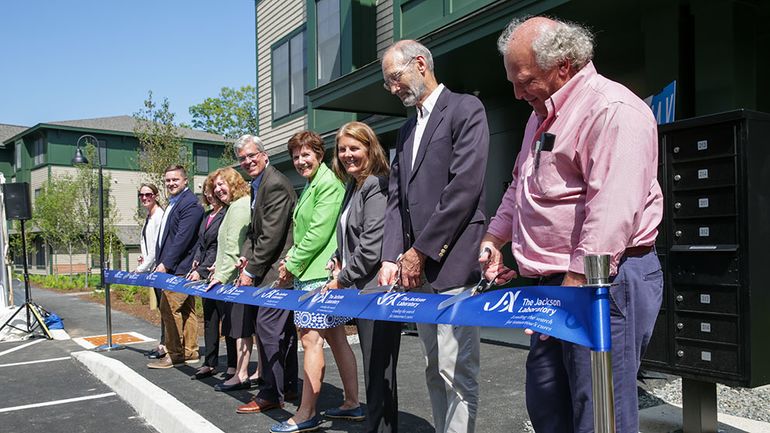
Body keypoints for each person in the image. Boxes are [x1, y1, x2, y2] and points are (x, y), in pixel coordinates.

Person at [480, 16, 664, 433]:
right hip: (554, 287)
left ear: (563, 65)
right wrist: (495, 237)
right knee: (547, 403)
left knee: (600, 413)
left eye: (524, 80)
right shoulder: (540, 114)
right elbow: (520, 186)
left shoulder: (611, 110)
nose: (516, 92)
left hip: (599, 284)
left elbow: (612, 212)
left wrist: (575, 286)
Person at [379, 40, 489, 433]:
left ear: (420, 64)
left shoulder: (465, 109)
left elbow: (464, 189)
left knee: (456, 368)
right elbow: (397, 200)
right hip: (414, 271)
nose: (392, 89)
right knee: (432, 366)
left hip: (451, 264)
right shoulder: (406, 130)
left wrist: (420, 251)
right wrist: (392, 255)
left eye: (395, 78)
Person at [270, 130, 356, 433]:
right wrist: (290, 261)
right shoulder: (312, 184)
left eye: (306, 154)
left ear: (319, 154)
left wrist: (291, 264)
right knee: (335, 337)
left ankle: (306, 413)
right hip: (316, 274)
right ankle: (352, 403)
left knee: (311, 341)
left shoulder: (327, 184)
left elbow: (318, 232)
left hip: (316, 277)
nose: (300, 161)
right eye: (295, 156)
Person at [327, 121, 399, 433]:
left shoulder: (375, 184)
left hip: (375, 292)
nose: (347, 154)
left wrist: (341, 279)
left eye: (354, 148)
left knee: (379, 370)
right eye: (342, 149)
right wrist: (336, 258)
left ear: (370, 148)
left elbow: (371, 247)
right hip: (361, 291)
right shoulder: (353, 186)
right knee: (373, 369)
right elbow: (348, 235)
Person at [233, 134, 299, 415]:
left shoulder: (275, 185)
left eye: (251, 155)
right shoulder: (256, 186)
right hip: (266, 267)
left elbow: (271, 237)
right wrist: (246, 254)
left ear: (264, 155)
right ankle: (290, 385)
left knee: (268, 328)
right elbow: (254, 231)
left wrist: (250, 270)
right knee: (282, 332)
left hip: (278, 271)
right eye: (243, 159)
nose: (248, 161)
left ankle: (270, 392)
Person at [207, 167, 262, 392]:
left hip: (238, 279)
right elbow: (227, 248)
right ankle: (248, 372)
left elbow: (234, 249)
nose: (219, 189)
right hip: (234, 276)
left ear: (235, 183)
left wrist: (221, 275)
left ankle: (241, 374)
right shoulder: (233, 207)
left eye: (223, 184)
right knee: (243, 329)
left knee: (241, 330)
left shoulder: (239, 207)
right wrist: (216, 267)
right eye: (215, 186)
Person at [147, 165, 204, 369]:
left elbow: (181, 239)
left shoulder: (190, 205)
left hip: (180, 268)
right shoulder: (175, 202)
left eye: (175, 180)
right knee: (187, 310)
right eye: (168, 180)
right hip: (177, 267)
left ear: (185, 180)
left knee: (169, 309)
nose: (171, 183)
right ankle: (190, 351)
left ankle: (174, 354)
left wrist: (164, 264)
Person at [187, 175, 232, 380]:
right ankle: (210, 362)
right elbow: (201, 244)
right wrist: (196, 261)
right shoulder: (207, 216)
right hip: (205, 277)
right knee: (210, 319)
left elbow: (218, 247)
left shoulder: (227, 214)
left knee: (227, 320)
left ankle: (232, 364)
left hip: (219, 274)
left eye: (212, 190)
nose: (209, 194)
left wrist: (203, 269)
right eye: (206, 191)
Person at [134, 183, 166, 360]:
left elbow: (157, 248)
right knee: (162, 310)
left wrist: (141, 268)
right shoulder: (149, 216)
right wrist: (144, 259)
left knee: (166, 310)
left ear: (156, 195)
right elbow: (148, 246)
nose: (145, 198)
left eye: (148, 194)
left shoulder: (159, 216)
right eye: (141, 195)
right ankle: (163, 343)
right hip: (152, 270)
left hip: (159, 271)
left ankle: (166, 346)